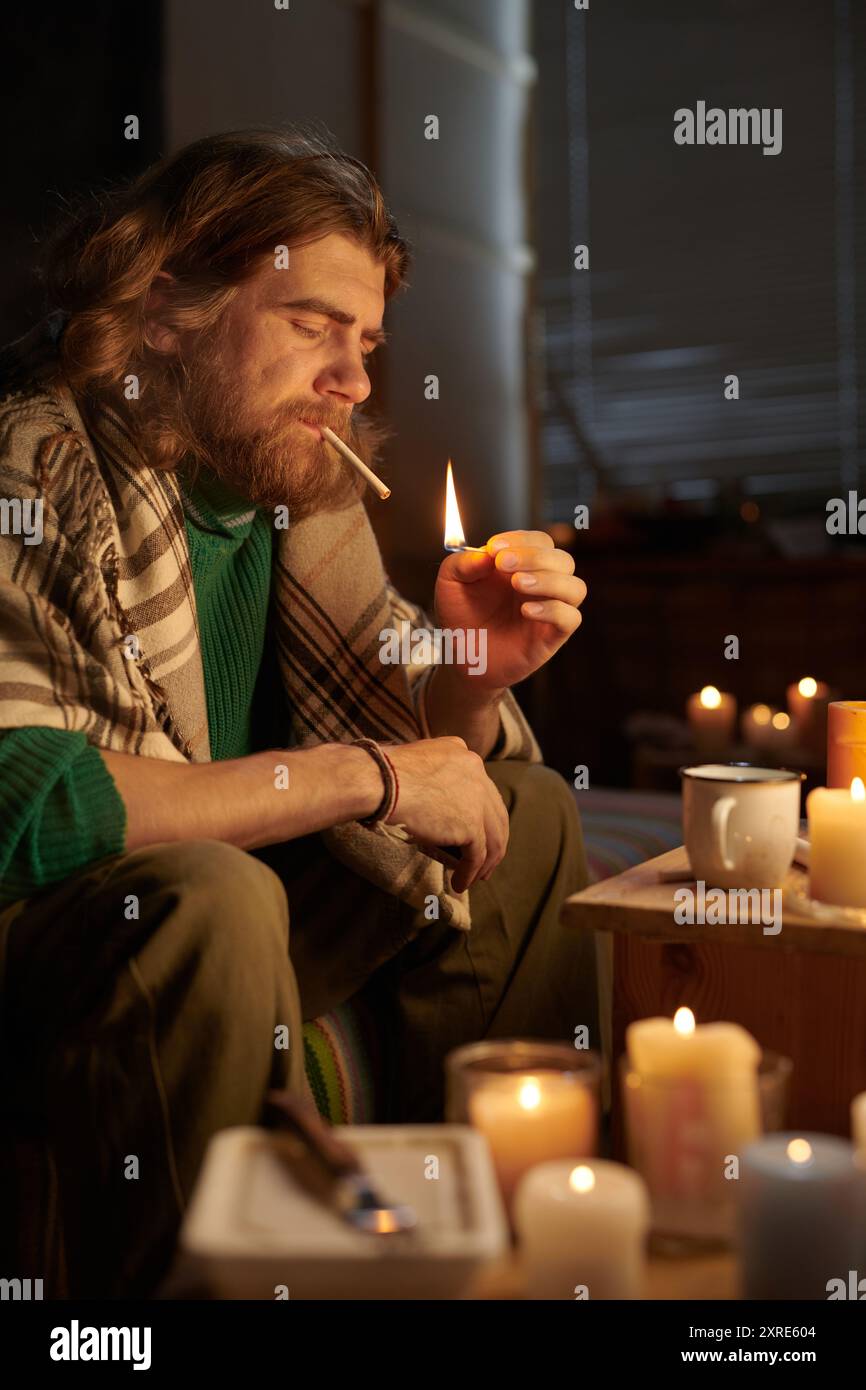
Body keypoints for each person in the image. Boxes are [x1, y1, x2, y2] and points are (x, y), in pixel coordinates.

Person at [0, 127, 600, 1298]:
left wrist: (470, 673)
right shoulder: (36, 470)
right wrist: (362, 772)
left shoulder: (292, 496)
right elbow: (24, 797)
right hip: (58, 928)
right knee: (212, 894)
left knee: (523, 815)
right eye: (310, 324)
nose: (355, 379)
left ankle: (494, 1254)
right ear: (167, 301)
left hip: (228, 899)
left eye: (366, 341)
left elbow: (438, 767)